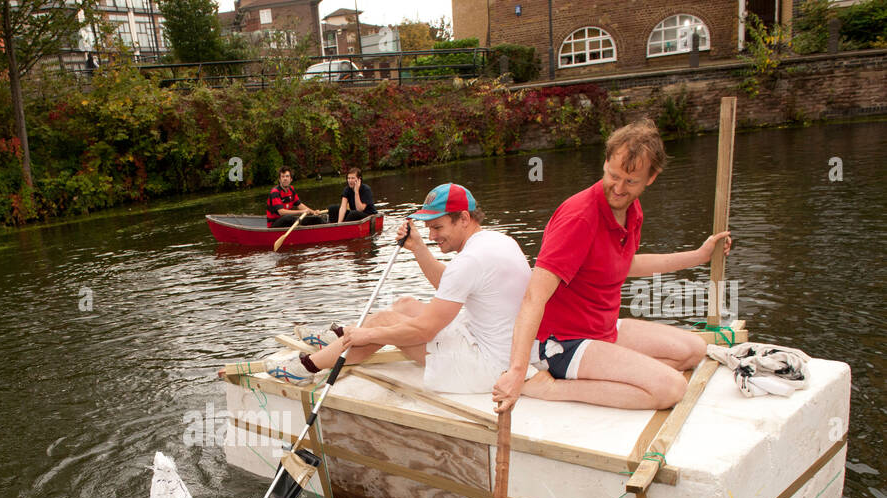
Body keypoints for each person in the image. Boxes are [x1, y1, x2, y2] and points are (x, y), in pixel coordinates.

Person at [492, 118, 732, 413]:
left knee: (694, 351)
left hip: (602, 327)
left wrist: (699, 256)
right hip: (560, 342)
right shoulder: (579, 218)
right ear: (605, 163)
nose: (617, 188)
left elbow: (624, 265)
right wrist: (516, 371)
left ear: (651, 178)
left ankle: (608, 367)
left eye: (630, 182)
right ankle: (550, 388)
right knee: (671, 388)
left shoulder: (631, 211)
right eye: (612, 175)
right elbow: (534, 297)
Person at [262, 183, 532, 395]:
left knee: (386, 322)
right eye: (428, 228)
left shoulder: (471, 259)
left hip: (487, 366)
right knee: (404, 303)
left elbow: (424, 330)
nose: (432, 235)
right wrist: (418, 248)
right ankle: (338, 339)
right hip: (499, 347)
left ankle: (308, 366)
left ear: (463, 218)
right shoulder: (496, 240)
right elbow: (450, 284)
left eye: (437, 227)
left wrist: (371, 333)